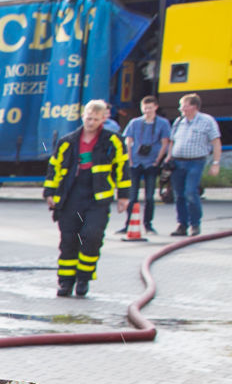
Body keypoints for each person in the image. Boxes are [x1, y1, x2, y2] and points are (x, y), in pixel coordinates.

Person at [43, 100, 129, 297]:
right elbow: (54, 168)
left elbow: (123, 168)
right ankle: (65, 282)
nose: (91, 122)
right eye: (88, 118)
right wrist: (50, 193)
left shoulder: (113, 141)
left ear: (103, 119)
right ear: (83, 117)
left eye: (96, 119)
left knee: (91, 236)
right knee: (68, 239)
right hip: (71, 196)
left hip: (97, 198)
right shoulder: (68, 141)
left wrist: (124, 197)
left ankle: (83, 278)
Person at [165, 93, 222, 236]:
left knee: (190, 192)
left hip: (196, 162)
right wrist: (169, 157)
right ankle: (182, 225)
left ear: (194, 106)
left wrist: (216, 163)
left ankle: (195, 224)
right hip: (178, 162)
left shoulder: (207, 121)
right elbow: (172, 141)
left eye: (184, 105)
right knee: (179, 195)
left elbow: (216, 142)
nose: (180, 108)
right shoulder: (179, 121)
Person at [119, 95, 170, 233]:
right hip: (135, 162)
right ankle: (128, 223)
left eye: (150, 108)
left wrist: (158, 160)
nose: (147, 110)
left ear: (155, 107)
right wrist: (129, 159)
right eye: (145, 108)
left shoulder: (163, 123)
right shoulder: (135, 123)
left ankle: (148, 224)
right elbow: (128, 141)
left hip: (152, 163)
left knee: (149, 196)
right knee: (133, 195)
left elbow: (165, 143)